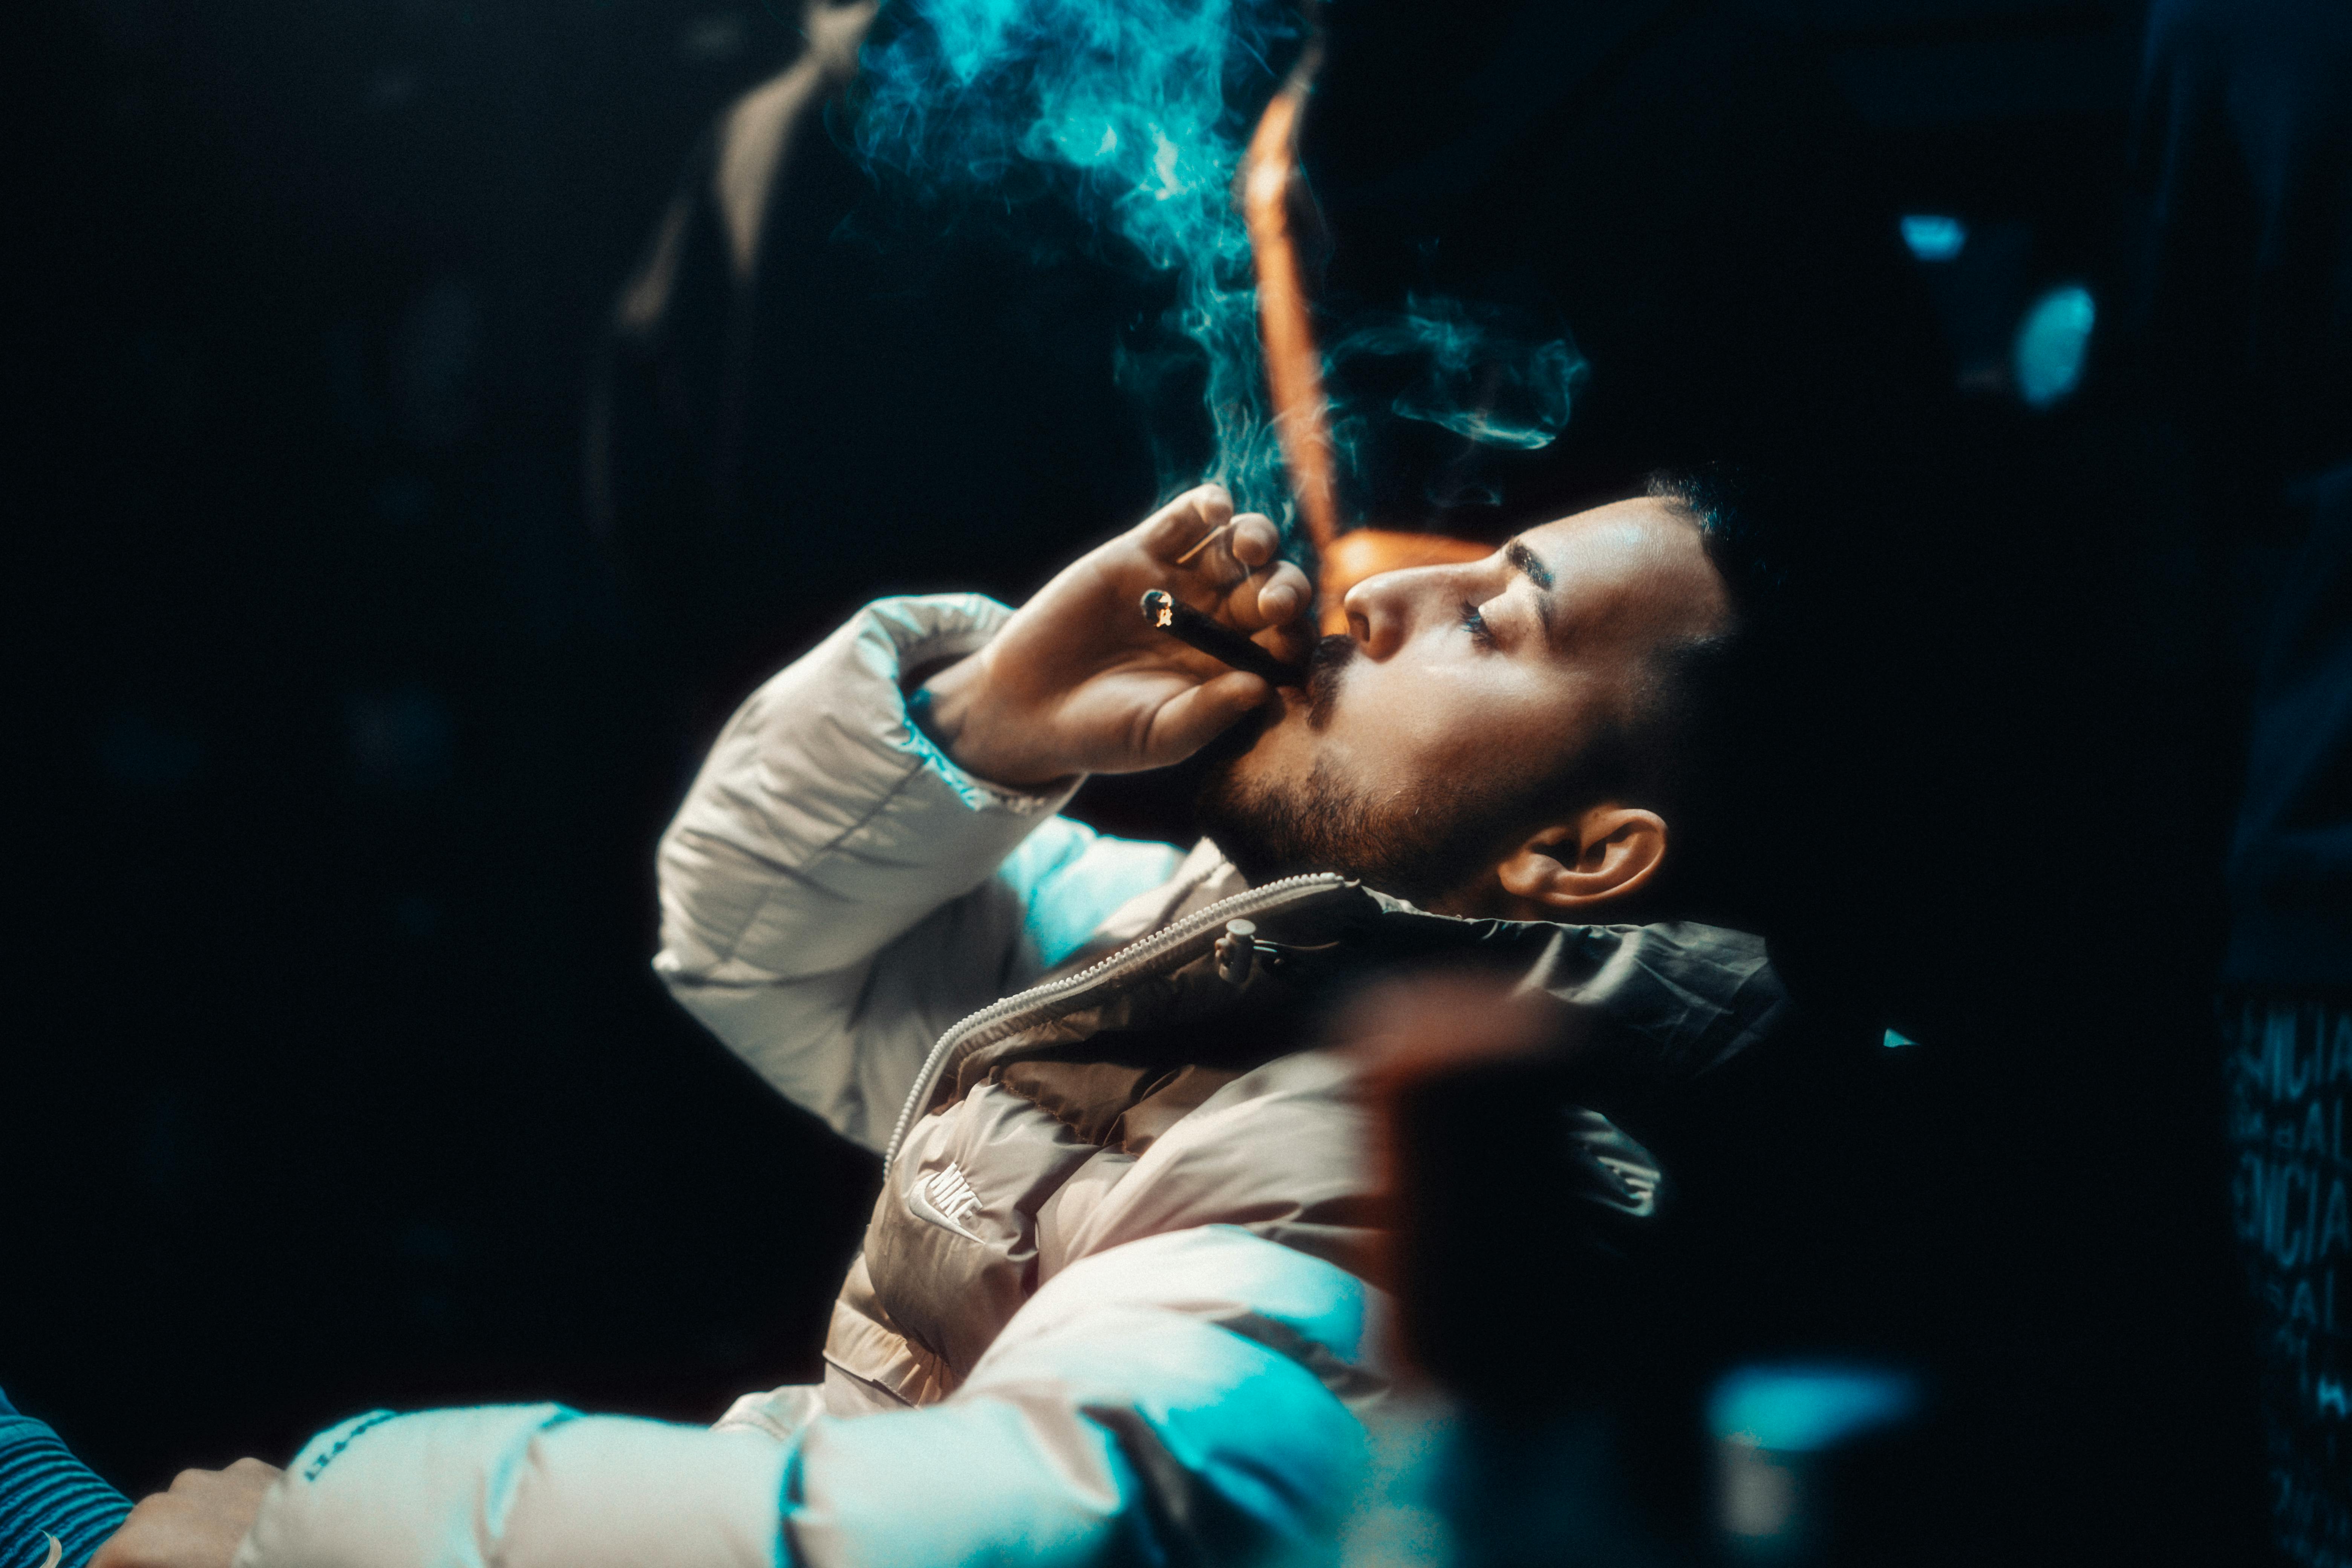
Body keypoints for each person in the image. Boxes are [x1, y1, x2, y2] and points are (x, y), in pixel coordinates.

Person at [90, 475, 1792, 1568]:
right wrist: (984, 724)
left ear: (1579, 852)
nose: (1373, 596)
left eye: (1494, 615)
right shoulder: (1223, 952)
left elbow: (1014, 1529)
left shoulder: (1426, 1190)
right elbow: (758, 949)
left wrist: (308, 1526)